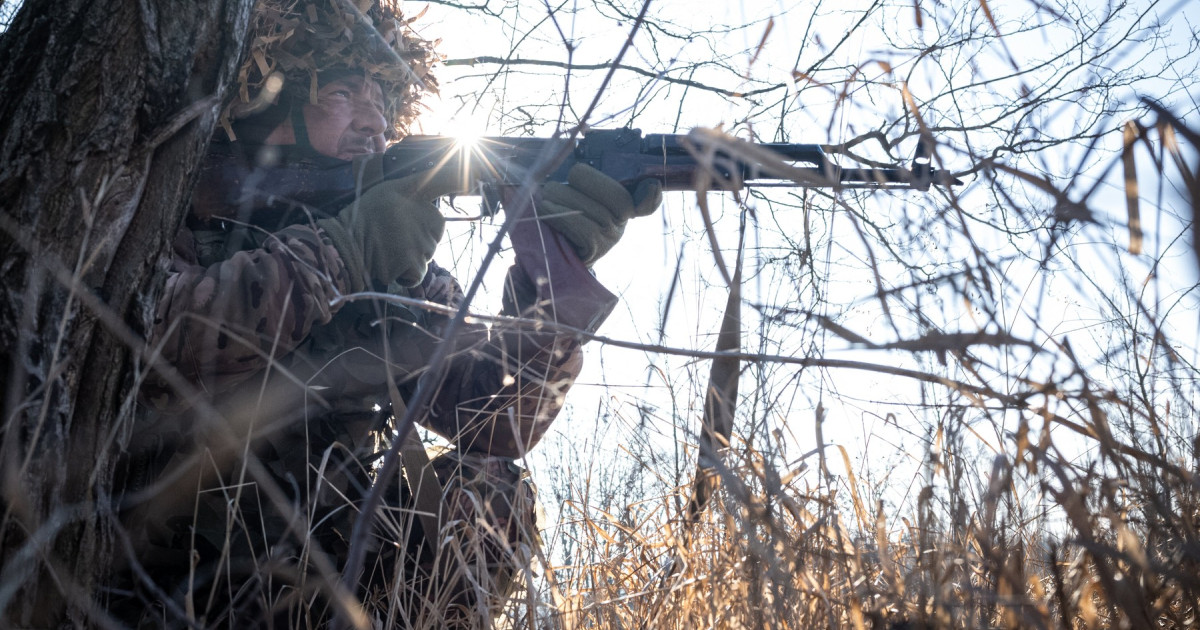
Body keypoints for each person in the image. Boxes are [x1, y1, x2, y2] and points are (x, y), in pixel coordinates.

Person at [114, 1, 662, 627]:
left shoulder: (404, 274)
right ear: (268, 99)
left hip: (334, 571)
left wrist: (550, 292)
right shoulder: (172, 213)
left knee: (489, 493)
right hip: (175, 573)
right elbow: (171, 342)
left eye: (382, 101)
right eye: (343, 93)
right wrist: (349, 250)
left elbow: (495, 424)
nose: (374, 121)